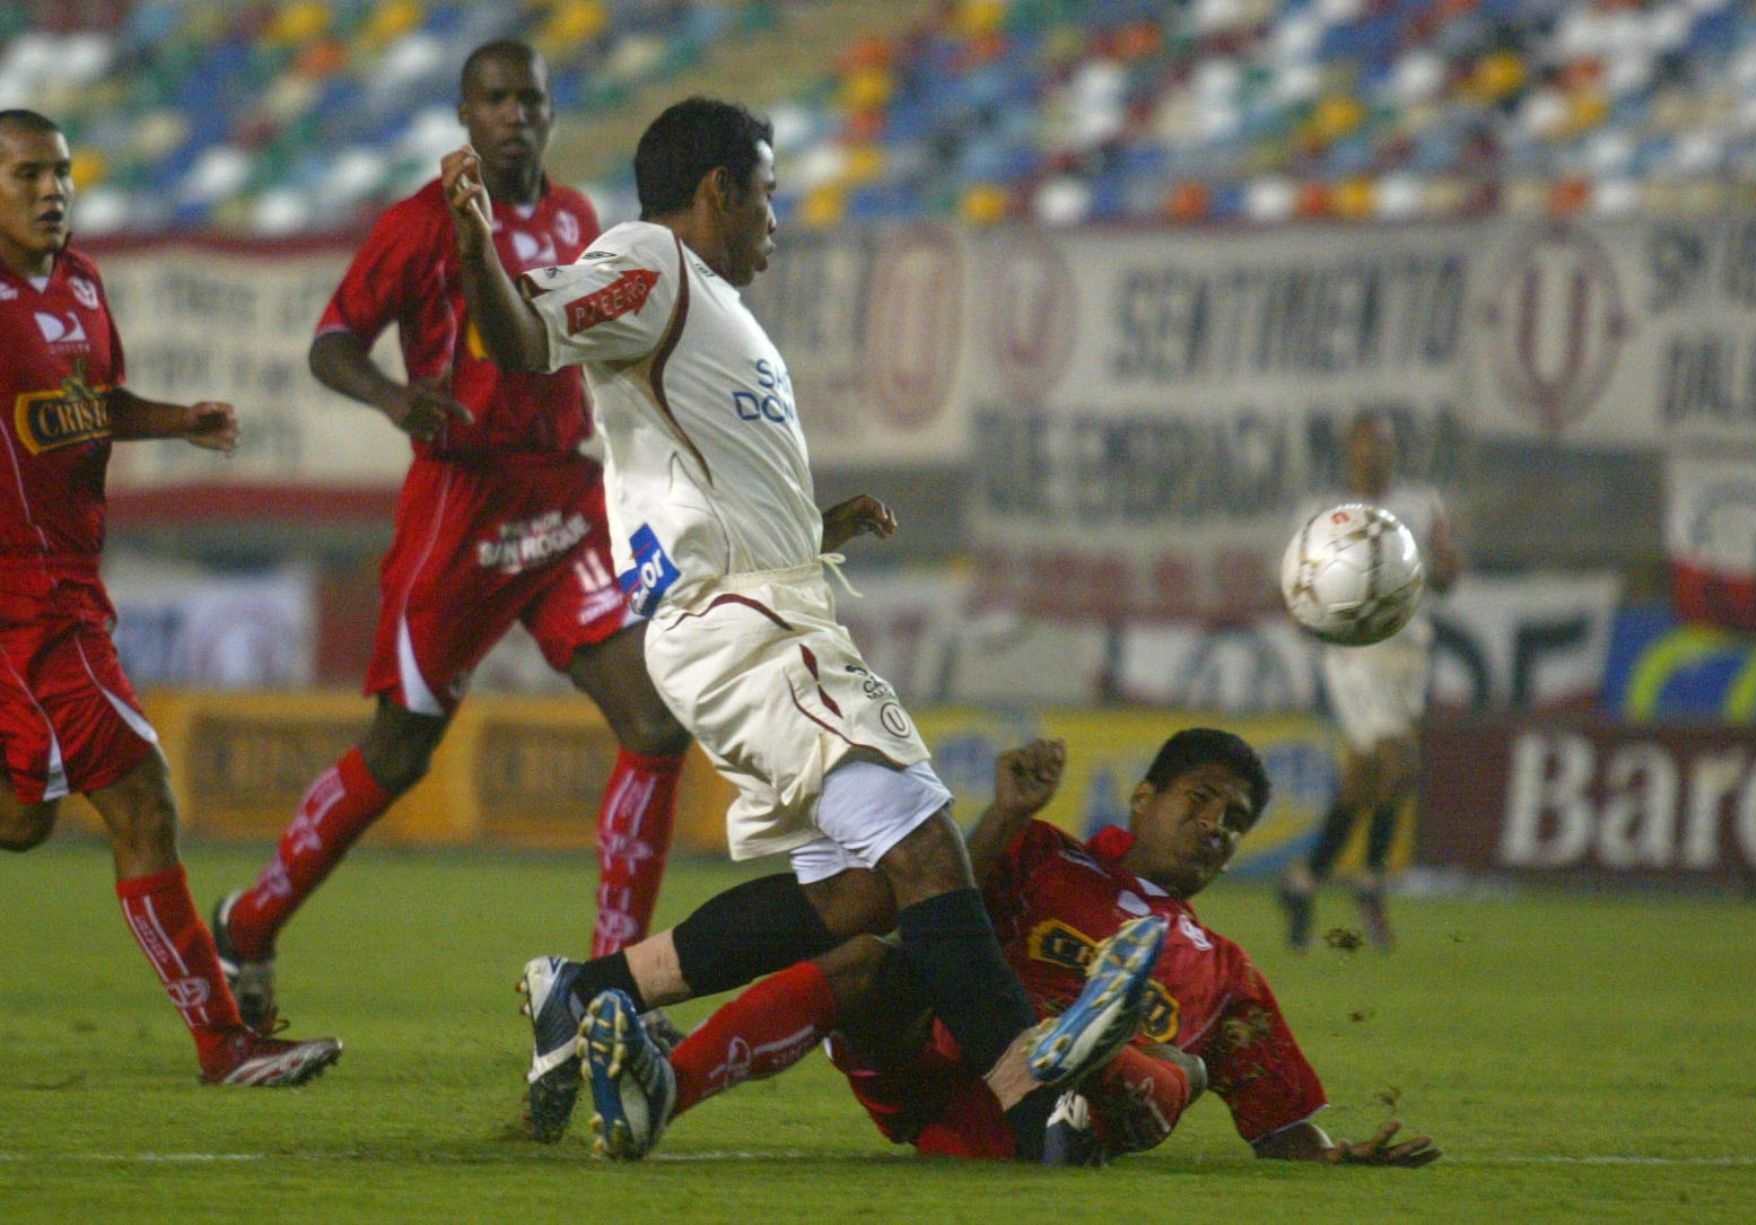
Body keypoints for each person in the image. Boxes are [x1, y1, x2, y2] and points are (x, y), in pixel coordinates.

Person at [445, 96, 1146, 1160]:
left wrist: (818, 528)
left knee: (859, 891)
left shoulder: (711, 311)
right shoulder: (651, 262)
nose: (776, 217)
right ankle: (1034, 1099)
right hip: (747, 625)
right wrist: (474, 245)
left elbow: (703, 489)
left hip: (751, 612)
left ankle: (586, 989)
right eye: (768, 193)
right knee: (924, 843)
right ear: (719, 189)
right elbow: (522, 335)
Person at [211, 41, 692, 1031]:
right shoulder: (420, 225)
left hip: (560, 498)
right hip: (461, 507)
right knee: (399, 753)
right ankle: (248, 924)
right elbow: (331, 341)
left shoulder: (577, 216)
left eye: (531, 99)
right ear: (466, 116)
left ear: (550, 112)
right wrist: (396, 397)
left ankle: (614, 987)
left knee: (655, 725)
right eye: (497, 100)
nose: (516, 115)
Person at [586, 733, 1440, 1168]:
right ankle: (663, 1091)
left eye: (1237, 821)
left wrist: (1332, 1157)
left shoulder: (1229, 970)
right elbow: (936, 909)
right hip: (941, 1059)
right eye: (1201, 798)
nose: (1215, 826)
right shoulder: (1044, 855)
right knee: (867, 959)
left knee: (1184, 1068)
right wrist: (1003, 815)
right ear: (1144, 798)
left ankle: (1090, 1050)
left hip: (1058, 1125)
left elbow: (1280, 1125)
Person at [0, 109, 341, 1085]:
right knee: (143, 800)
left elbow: (93, 405)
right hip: (24, 597)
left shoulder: (79, 281)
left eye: (61, 172)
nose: (51, 191)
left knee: (24, 820)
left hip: (73, 582)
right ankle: (225, 1042)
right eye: (27, 175)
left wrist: (176, 420)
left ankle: (225, 1042)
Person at [1278, 410, 1460, 951]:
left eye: (1383, 443)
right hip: (1354, 654)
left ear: (1392, 450)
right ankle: (1371, 883)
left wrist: (1436, 566)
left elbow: (1447, 576)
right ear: (1349, 449)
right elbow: (1295, 585)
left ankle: (1304, 881)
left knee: (1363, 778)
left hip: (1407, 652)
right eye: (1365, 443)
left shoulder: (1422, 506)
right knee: (1400, 761)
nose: (1375, 452)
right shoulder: (1322, 512)